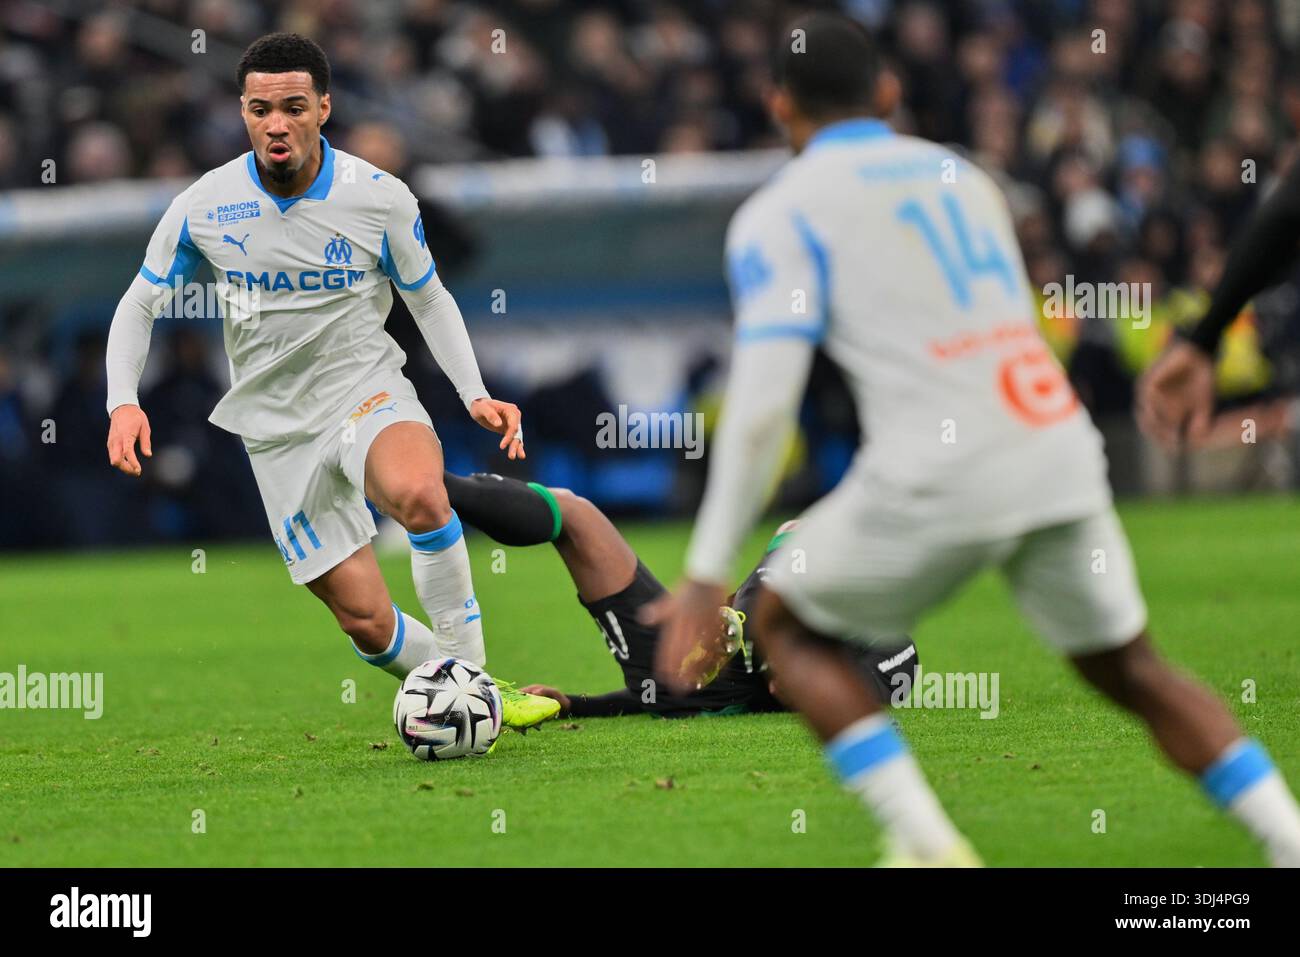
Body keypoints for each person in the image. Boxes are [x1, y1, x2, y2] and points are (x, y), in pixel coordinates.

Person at [652, 12, 1300, 866]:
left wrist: (704, 574)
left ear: (779, 106)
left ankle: (928, 842)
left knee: (786, 629)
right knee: (1133, 670)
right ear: (887, 92)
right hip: (1056, 445)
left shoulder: (778, 215)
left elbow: (765, 407)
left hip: (938, 464)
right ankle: (1286, 838)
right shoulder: (968, 176)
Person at [103, 33, 557, 729]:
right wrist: (123, 402)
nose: (275, 123)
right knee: (367, 622)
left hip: (364, 389)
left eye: (292, 106)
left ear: (323, 107)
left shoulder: (379, 197)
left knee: (420, 495)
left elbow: (428, 297)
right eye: (260, 109)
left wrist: (475, 393)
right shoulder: (206, 204)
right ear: (244, 112)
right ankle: (467, 684)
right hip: (276, 430)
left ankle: (476, 691)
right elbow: (139, 302)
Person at [439, 472, 918, 718]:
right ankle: (433, 486)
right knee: (572, 514)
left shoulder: (891, 649)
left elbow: (854, 705)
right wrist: (576, 704)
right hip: (681, 657)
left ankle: (431, 483)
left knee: (576, 516)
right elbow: (675, 680)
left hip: (692, 666)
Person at [1139, 157, 1300, 447]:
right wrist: (1202, 341)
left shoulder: (1253, 300)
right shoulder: (1184, 303)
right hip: (1221, 394)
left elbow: (1286, 213)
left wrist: (1202, 340)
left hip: (1252, 391)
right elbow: (1286, 214)